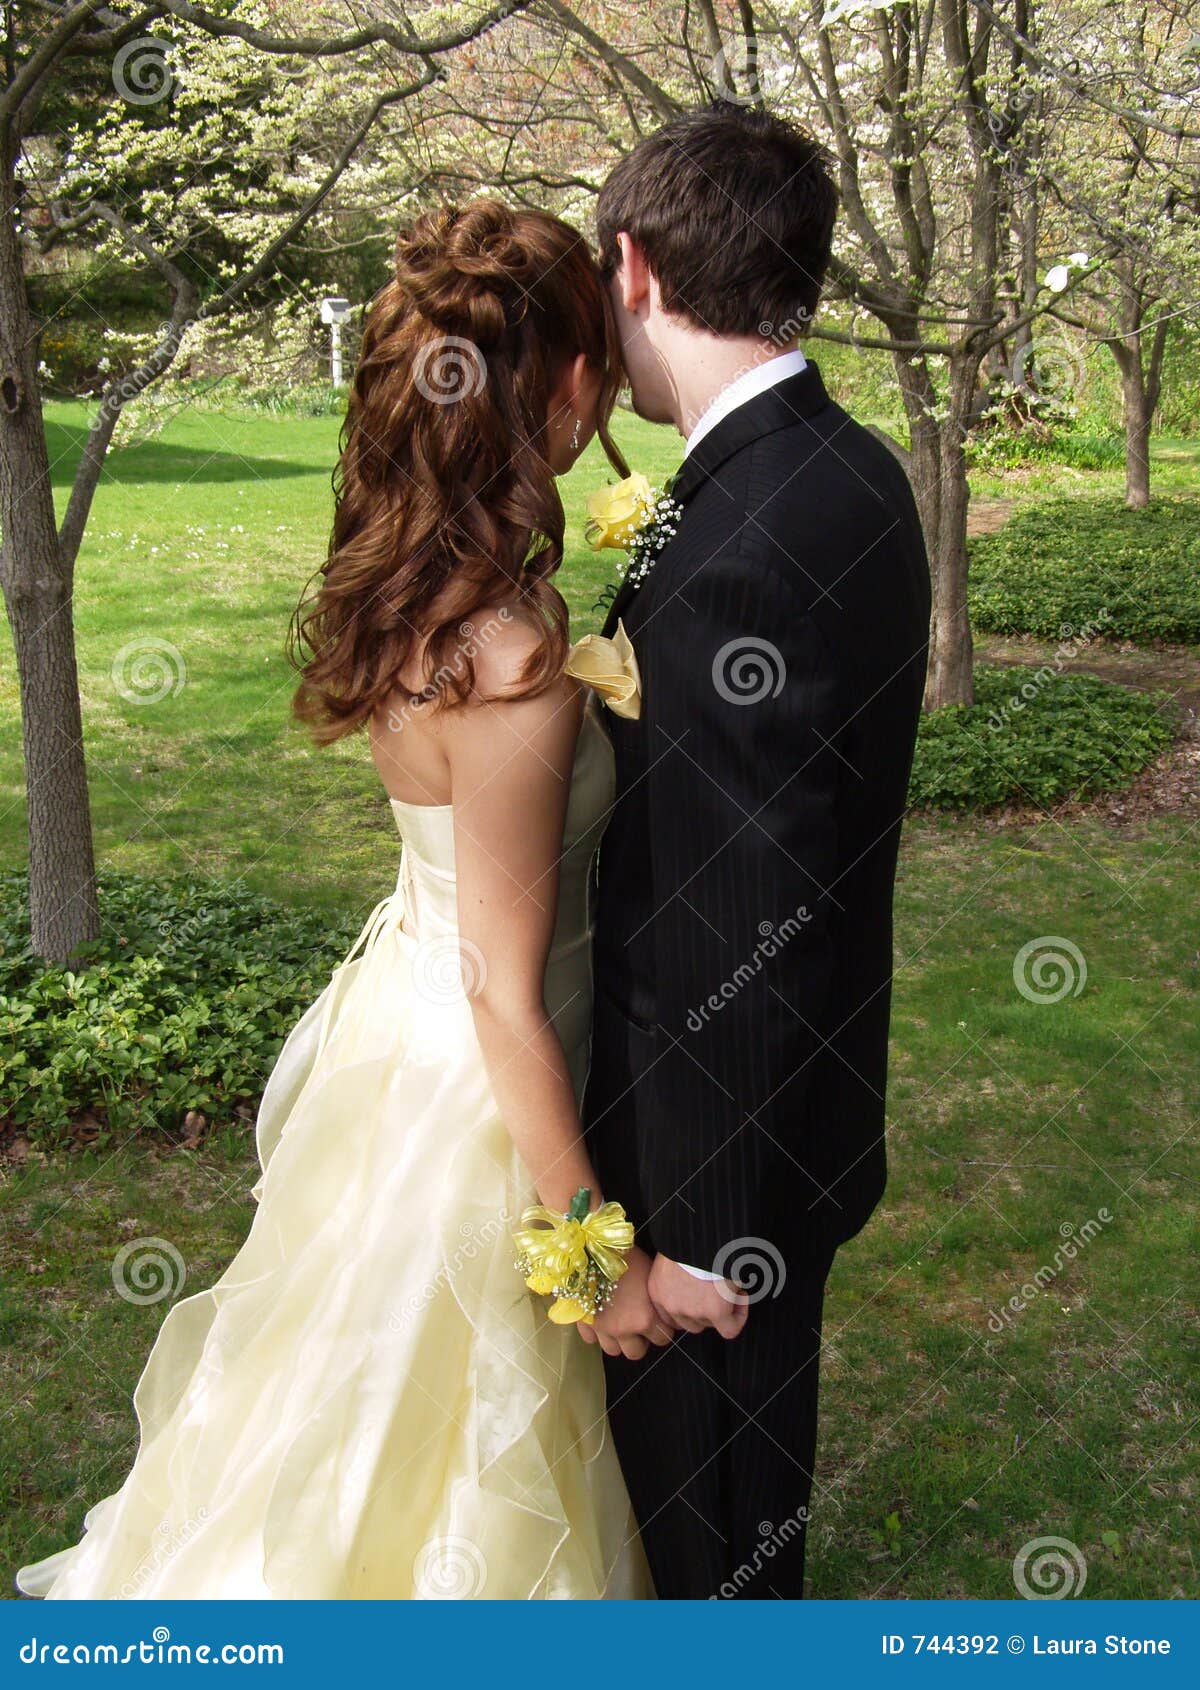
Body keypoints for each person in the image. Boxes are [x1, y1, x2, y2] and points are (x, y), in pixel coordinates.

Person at [15, 200, 659, 1601]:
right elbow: (503, 987)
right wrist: (586, 1261)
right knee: (440, 1459)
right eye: (595, 361)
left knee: (332, 1410)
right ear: (555, 382)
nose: (609, 391)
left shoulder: (429, 591)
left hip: (403, 1028)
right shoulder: (505, 650)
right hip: (472, 1093)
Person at [583, 104, 932, 1599]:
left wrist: (700, 1258)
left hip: (712, 1188)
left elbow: (739, 919)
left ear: (637, 268)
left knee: (709, 1558)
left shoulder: (739, 545)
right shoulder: (843, 468)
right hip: (798, 1130)